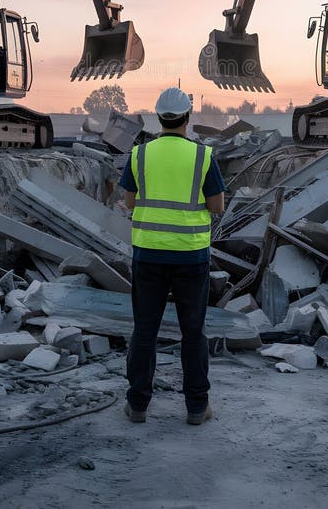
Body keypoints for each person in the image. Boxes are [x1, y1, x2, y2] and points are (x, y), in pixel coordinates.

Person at [119, 87, 225, 426]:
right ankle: (197, 408)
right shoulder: (202, 157)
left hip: (148, 254)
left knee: (144, 331)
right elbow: (217, 207)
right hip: (191, 257)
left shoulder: (139, 155)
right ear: (188, 117)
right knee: (193, 332)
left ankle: (137, 406)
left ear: (158, 117)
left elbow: (130, 202)